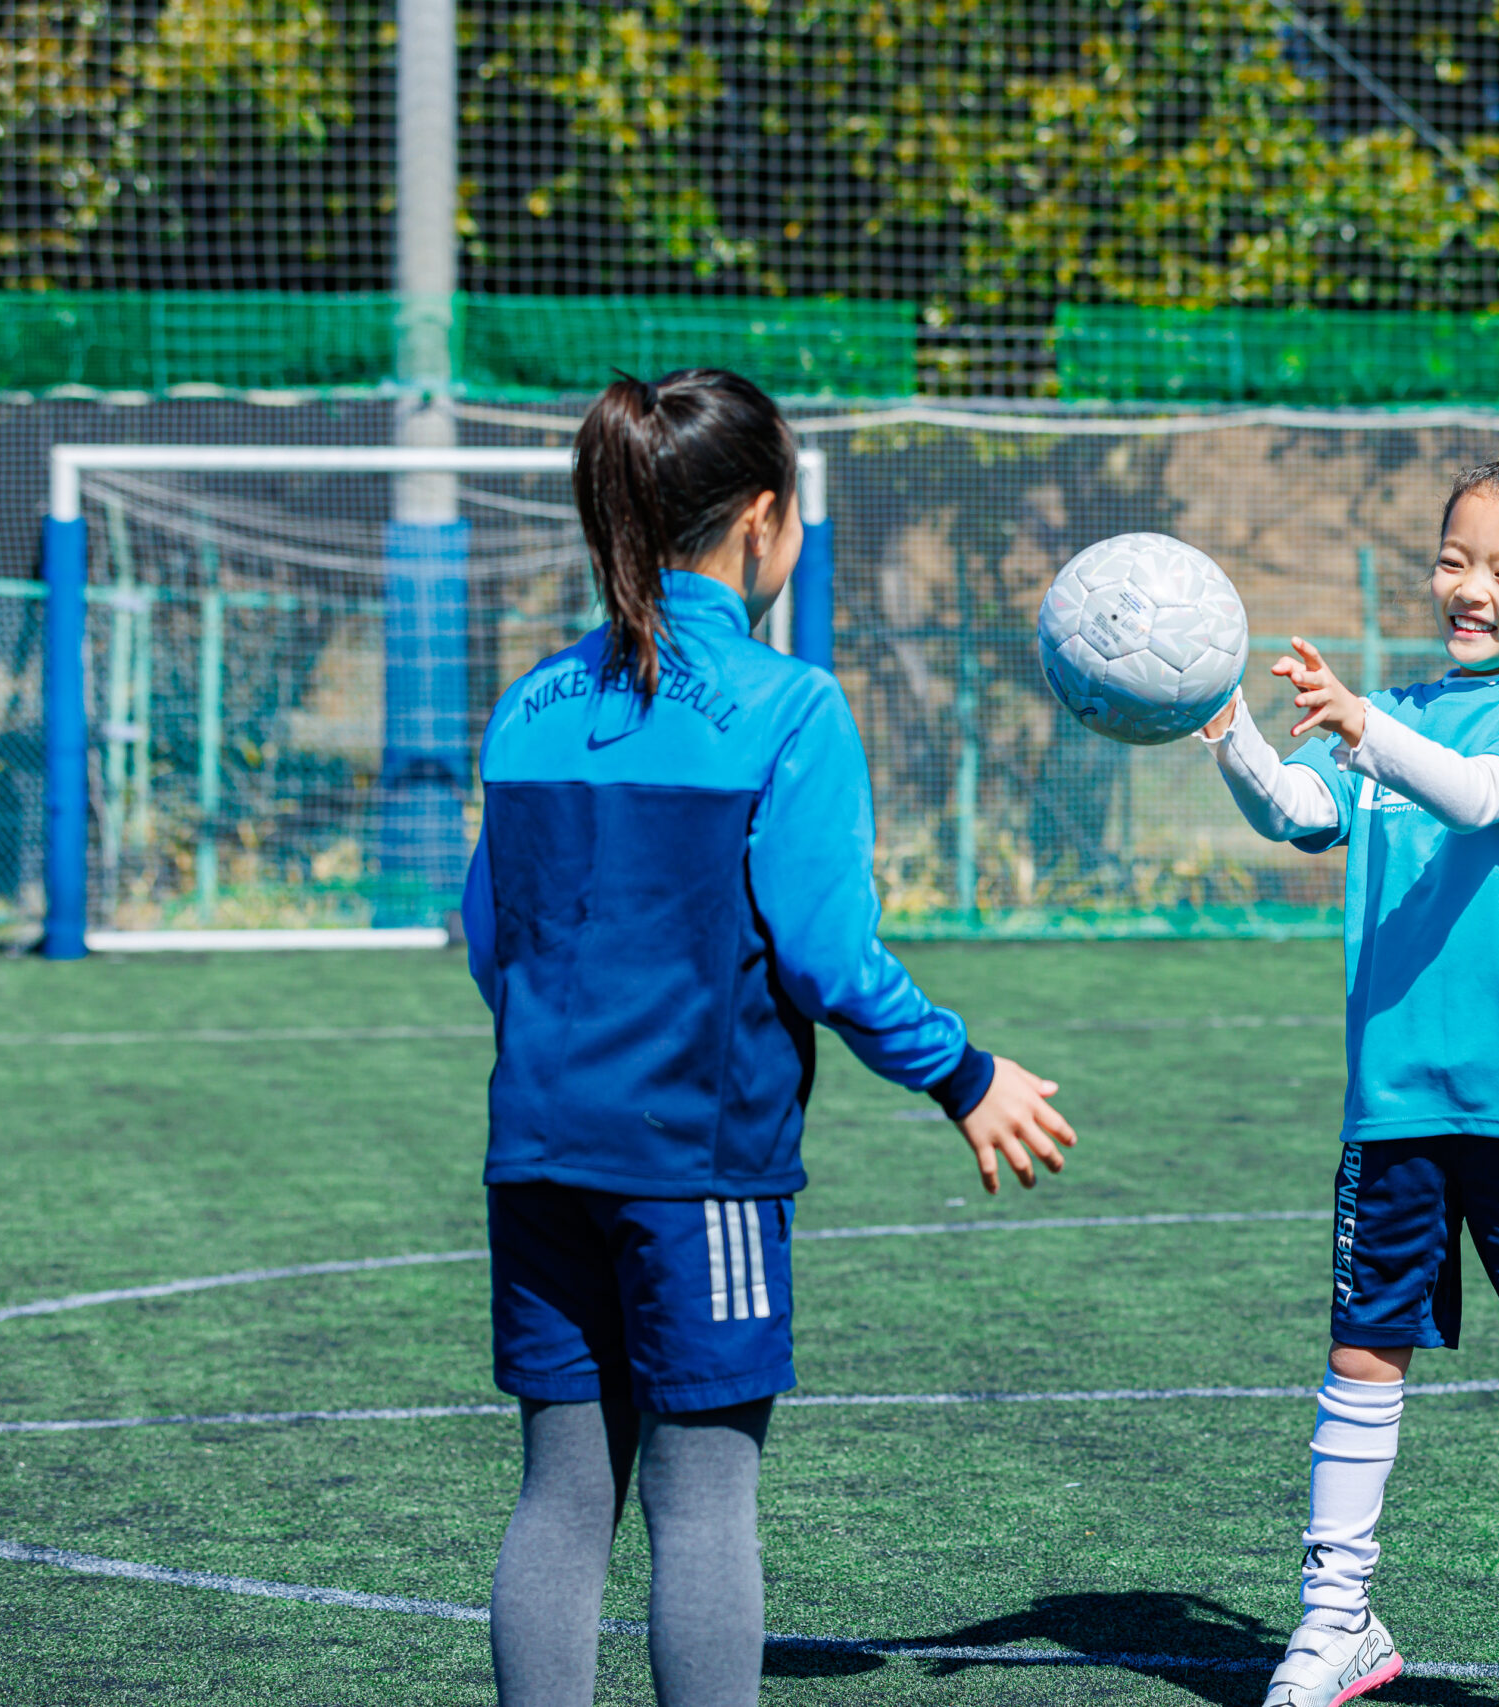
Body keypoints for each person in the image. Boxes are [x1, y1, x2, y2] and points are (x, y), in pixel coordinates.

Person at [459, 368, 1077, 1707]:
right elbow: (828, 958)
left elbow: (490, 943)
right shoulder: (789, 705)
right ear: (762, 518)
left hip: (537, 1154)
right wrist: (964, 1075)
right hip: (700, 1170)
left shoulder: (528, 704)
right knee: (701, 1500)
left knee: (561, 1493)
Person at [1197, 445, 1499, 1707]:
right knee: (1361, 1360)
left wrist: (1366, 728)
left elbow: (1470, 795)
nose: (1468, 587)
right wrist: (1227, 727)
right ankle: (1335, 1621)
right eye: (1454, 561)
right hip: (1392, 1104)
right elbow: (1299, 811)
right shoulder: (1397, 708)